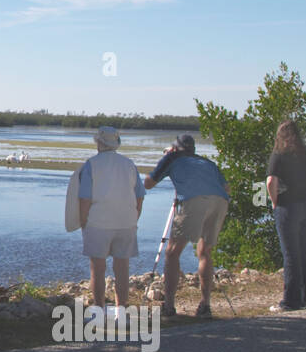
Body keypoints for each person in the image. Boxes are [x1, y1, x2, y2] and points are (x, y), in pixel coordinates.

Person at [144, 133, 230, 318]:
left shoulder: (171, 158)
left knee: (172, 252)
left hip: (195, 200)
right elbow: (227, 188)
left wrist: (166, 158)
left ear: (175, 148)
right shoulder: (206, 162)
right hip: (220, 200)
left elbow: (148, 183)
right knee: (205, 251)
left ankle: (169, 306)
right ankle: (205, 305)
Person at [77, 126, 145, 315]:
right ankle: (121, 311)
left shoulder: (91, 164)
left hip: (99, 222)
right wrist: (135, 216)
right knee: (122, 267)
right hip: (127, 222)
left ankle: (98, 310)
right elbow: (140, 195)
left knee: (97, 268)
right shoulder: (129, 164)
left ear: (99, 142)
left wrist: (83, 222)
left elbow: (85, 198)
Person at [266, 120, 306, 311]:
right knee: (305, 253)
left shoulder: (279, 155)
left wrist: (275, 201)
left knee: (291, 254)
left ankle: (291, 301)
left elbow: (270, 182)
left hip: (287, 206)